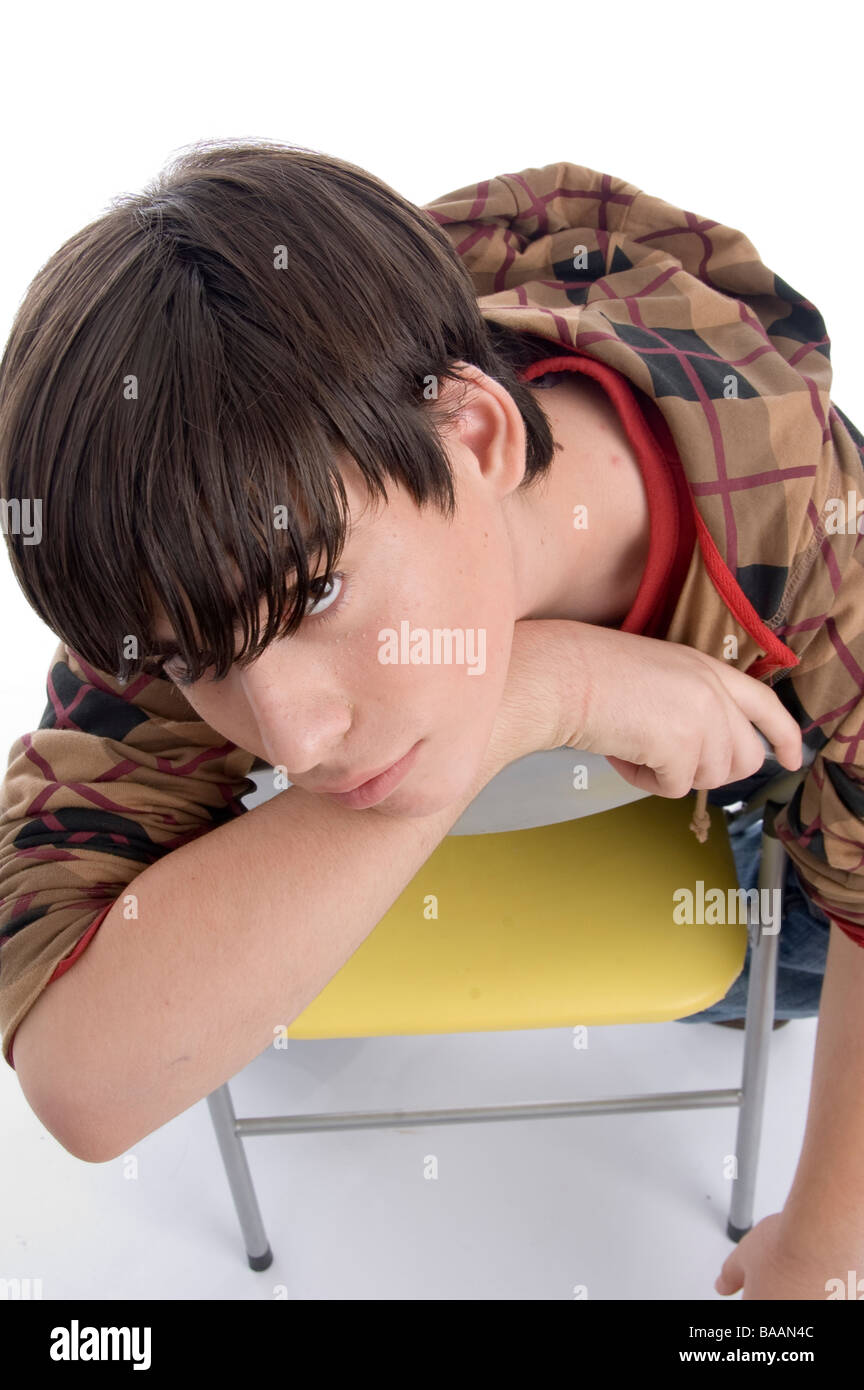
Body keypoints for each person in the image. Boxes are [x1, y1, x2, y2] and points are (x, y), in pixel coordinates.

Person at [0, 145, 859, 1204]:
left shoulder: (813, 526)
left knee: (804, 956)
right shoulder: (209, 518)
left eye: (316, 597)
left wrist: (823, 1240)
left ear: (481, 434)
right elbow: (81, 1083)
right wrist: (544, 696)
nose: (294, 737)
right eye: (195, 660)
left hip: (739, 822)